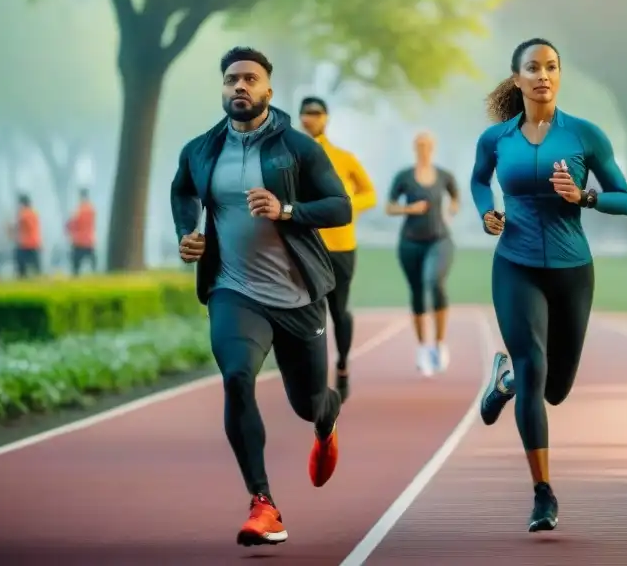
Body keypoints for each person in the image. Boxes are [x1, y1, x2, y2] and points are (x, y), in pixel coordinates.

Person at [170, 46, 352, 548]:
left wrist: (286, 208)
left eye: (250, 79)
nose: (240, 87)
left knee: (307, 403)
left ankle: (326, 418)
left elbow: (341, 207)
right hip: (235, 290)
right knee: (235, 377)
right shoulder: (202, 149)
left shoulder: (296, 147)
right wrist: (188, 231)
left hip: (297, 297)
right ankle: (263, 502)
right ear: (223, 89)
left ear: (269, 90)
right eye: (231, 80)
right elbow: (182, 189)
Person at [470, 38, 627, 533]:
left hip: (571, 271)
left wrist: (583, 195)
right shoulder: (497, 139)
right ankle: (543, 493)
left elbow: (623, 199)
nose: (543, 75)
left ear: (560, 76)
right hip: (515, 265)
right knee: (535, 366)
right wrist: (487, 214)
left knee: (556, 389)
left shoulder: (585, 135)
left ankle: (506, 379)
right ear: (516, 78)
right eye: (533, 68)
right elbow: (479, 182)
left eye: (552, 67)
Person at [299, 96, 378, 403]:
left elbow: (369, 193)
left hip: (341, 246)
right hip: (306, 245)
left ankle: (342, 364)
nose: (310, 118)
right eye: (305, 113)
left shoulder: (343, 158)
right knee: (308, 310)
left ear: (326, 118)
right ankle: (313, 374)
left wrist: (345, 207)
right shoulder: (290, 155)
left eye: (316, 113)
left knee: (338, 309)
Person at [385, 131, 460, 376]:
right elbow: (389, 207)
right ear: (414, 148)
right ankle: (423, 348)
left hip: (440, 240)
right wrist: (409, 208)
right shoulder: (404, 177)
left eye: (427, 145)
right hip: (410, 242)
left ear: (433, 148)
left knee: (434, 282)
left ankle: (439, 344)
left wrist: (452, 208)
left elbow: (455, 197)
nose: (423, 149)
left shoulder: (444, 176)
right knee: (417, 291)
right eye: (419, 145)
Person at [66, 189, 96, 276]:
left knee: (76, 265)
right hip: (89, 240)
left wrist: (68, 229)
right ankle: (95, 274)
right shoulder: (91, 209)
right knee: (92, 262)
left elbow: (72, 223)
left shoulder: (78, 210)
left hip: (79, 241)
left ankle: (76, 276)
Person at [13, 195, 42, 278]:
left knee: (21, 263)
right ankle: (38, 278)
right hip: (35, 242)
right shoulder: (34, 213)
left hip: (25, 243)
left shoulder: (23, 214)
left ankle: (22, 276)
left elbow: (17, 226)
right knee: (36, 265)